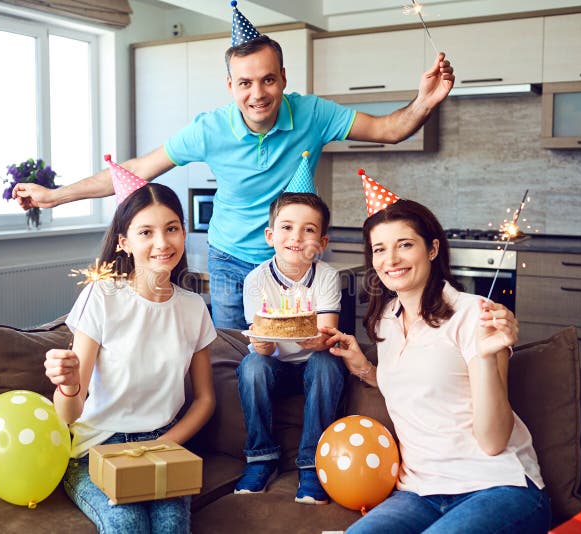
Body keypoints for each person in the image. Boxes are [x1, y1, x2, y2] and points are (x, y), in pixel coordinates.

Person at [12, 4, 456, 330]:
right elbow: (136, 170)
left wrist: (424, 101)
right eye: (245, 82)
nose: (257, 93)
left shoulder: (314, 114)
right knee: (235, 351)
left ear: (283, 77)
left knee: (307, 350)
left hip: (297, 258)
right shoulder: (209, 130)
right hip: (231, 261)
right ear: (230, 86)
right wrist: (56, 194)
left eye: (267, 79)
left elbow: (388, 129)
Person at [322, 197, 551, 533]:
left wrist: (486, 356)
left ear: (432, 249)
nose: (391, 259)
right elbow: (420, 387)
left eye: (405, 245)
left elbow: (493, 441)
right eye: (380, 249)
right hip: (419, 492)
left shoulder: (476, 314)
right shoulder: (386, 319)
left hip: (496, 485)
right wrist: (364, 369)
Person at [43, 178, 217, 534]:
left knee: (171, 528)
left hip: (165, 443)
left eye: (171, 229)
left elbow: (204, 400)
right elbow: (68, 415)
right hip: (97, 447)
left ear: (184, 233)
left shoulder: (194, 308)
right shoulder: (102, 297)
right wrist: (70, 386)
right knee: (127, 525)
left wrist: (160, 445)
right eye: (146, 232)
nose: (162, 243)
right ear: (124, 242)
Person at [235, 191, 345, 505]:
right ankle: (261, 458)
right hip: (275, 368)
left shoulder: (327, 277)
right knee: (252, 365)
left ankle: (312, 463)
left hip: (314, 365)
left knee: (327, 361)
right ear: (270, 236)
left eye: (308, 229)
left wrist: (320, 339)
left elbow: (326, 329)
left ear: (321, 243)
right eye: (286, 227)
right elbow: (262, 345)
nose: (296, 237)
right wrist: (261, 344)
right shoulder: (256, 280)